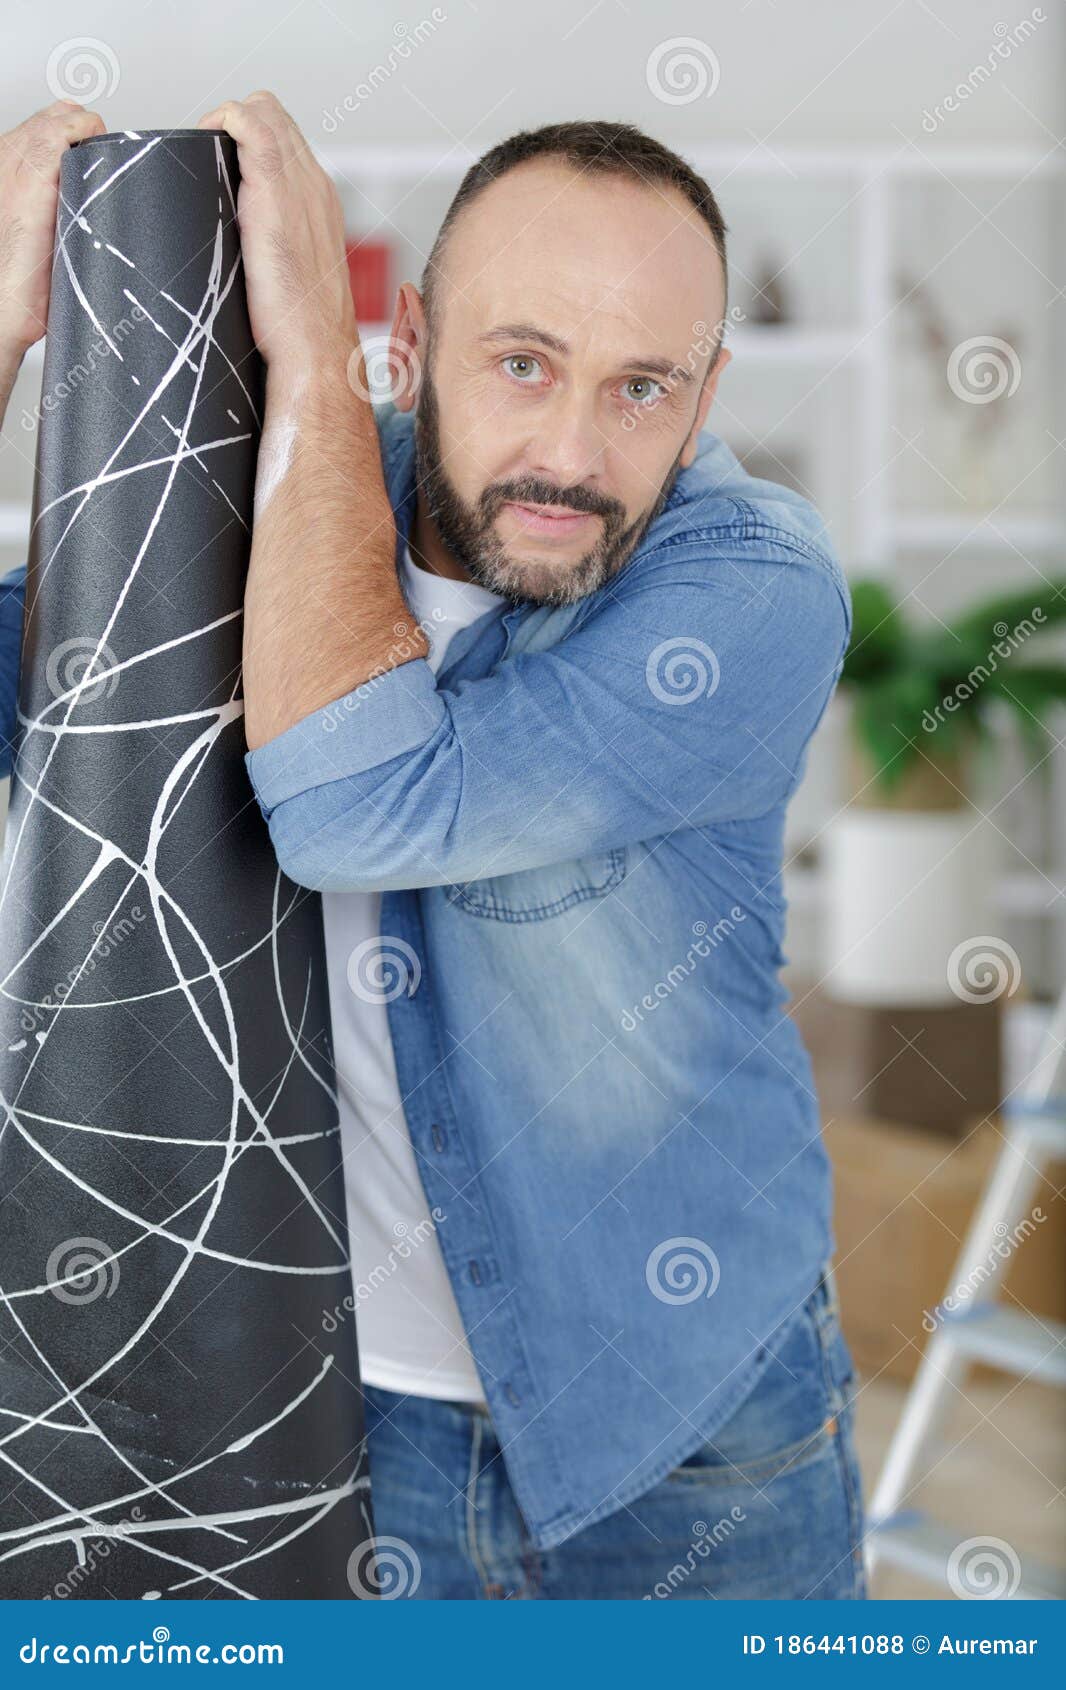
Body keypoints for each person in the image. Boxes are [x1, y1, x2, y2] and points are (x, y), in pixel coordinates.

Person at [0, 95, 864, 1600]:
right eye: (522, 361)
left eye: (644, 388)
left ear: (708, 391)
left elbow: (351, 808)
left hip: (691, 1417)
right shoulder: (247, 523)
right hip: (353, 1416)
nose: (574, 452)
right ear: (418, 335)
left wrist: (310, 370)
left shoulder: (753, 584)